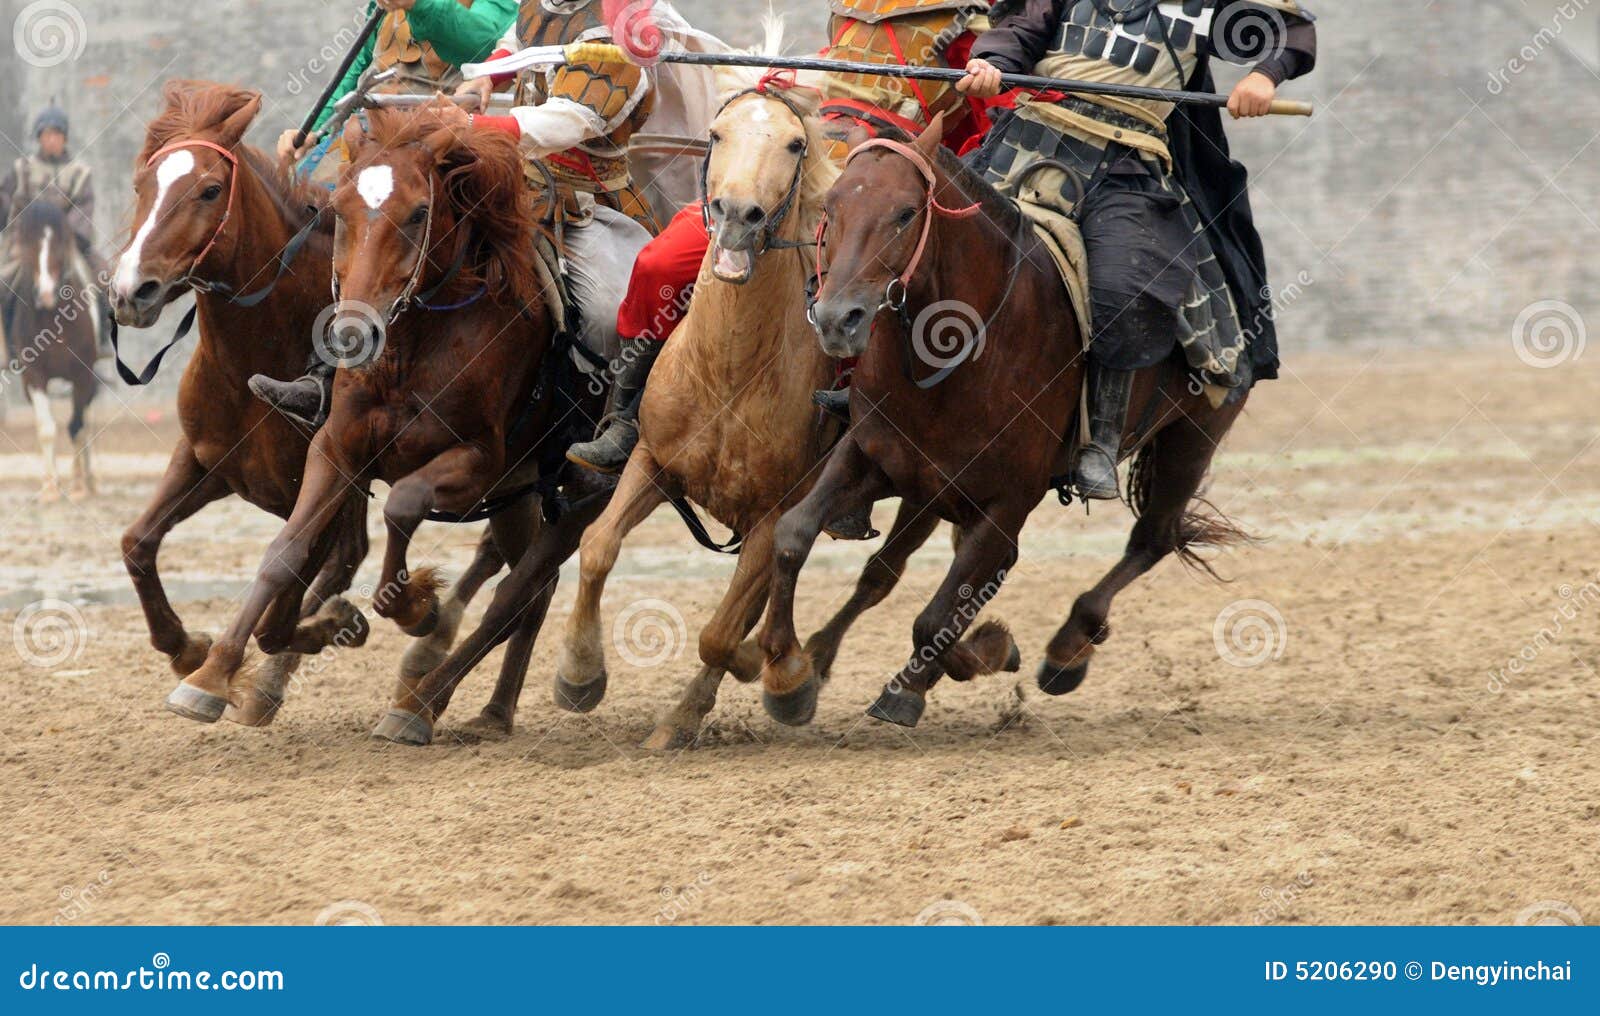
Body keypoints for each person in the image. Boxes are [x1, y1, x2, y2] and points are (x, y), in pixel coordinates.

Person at [566, 0, 1001, 477]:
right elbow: (835, 76)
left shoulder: (973, 20)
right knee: (662, 263)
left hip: (877, 188)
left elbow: (977, 131)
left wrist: (987, 79)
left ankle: (852, 442)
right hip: (799, 160)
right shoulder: (854, 6)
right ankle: (625, 415)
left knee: (849, 285)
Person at [958, 0, 1317, 500]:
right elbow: (1022, 28)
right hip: (1025, 138)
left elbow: (1286, 30)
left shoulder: (1205, 7)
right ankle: (868, 396)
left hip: (1125, 164)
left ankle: (1099, 443)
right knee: (924, 235)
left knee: (1126, 288)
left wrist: (1264, 76)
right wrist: (992, 63)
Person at [251, 0, 519, 428]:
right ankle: (322, 375)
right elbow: (352, 84)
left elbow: (483, 42)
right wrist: (310, 139)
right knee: (320, 242)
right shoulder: (383, 9)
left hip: (454, 163)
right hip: (375, 162)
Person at [0, 106, 109, 353]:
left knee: (104, 277)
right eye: (45, 135)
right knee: (4, 284)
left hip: (69, 245)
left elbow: (83, 210)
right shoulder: (22, 170)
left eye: (56, 135)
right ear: (39, 139)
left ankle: (100, 341)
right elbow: (9, 203)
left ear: (64, 138)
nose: (51, 140)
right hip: (26, 245)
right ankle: (12, 346)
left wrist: (65, 241)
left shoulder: (80, 173)